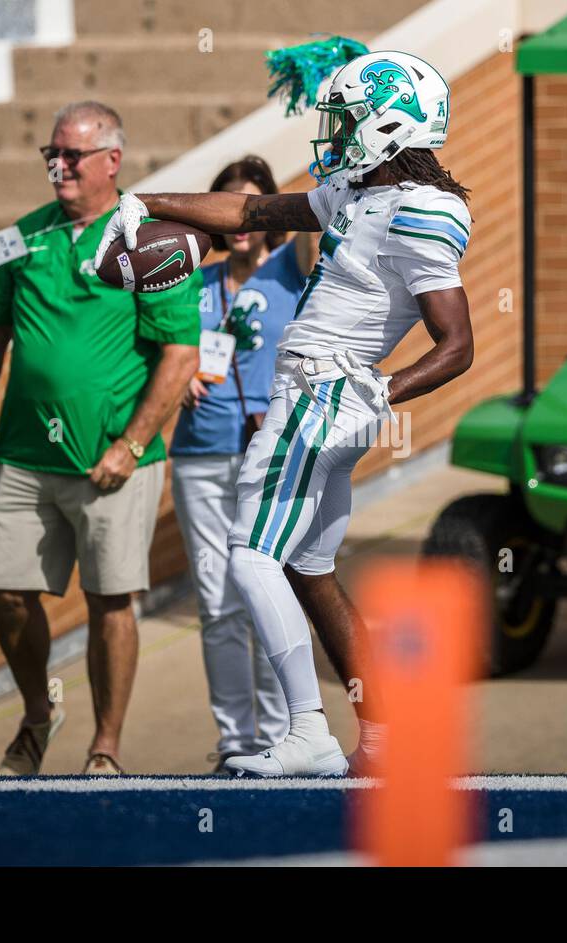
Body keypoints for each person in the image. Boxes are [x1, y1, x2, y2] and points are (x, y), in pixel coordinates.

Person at [96, 51, 475, 777]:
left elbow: (455, 344)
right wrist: (149, 202)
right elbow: (249, 211)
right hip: (323, 393)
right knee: (309, 567)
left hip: (321, 394)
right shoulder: (361, 193)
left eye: (349, 119)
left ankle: (308, 731)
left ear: (389, 124)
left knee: (248, 555)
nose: (336, 133)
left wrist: (381, 391)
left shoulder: (422, 209)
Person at [0, 101, 200, 776]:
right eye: (52, 154)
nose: (58, 166)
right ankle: (40, 712)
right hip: (23, 455)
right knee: (8, 595)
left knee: (110, 602)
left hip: (112, 460)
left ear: (112, 161)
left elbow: (181, 354)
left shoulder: (151, 239)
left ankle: (105, 746)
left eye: (72, 155)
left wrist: (130, 443)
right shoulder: (19, 236)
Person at [169, 156, 318, 771]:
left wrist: (328, 152)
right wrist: (172, 381)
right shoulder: (191, 281)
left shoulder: (292, 268)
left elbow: (316, 225)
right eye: (227, 204)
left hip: (270, 450)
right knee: (217, 603)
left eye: (251, 207)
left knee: (265, 592)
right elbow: (157, 350)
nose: (238, 219)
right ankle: (234, 740)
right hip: (200, 454)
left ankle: (283, 736)